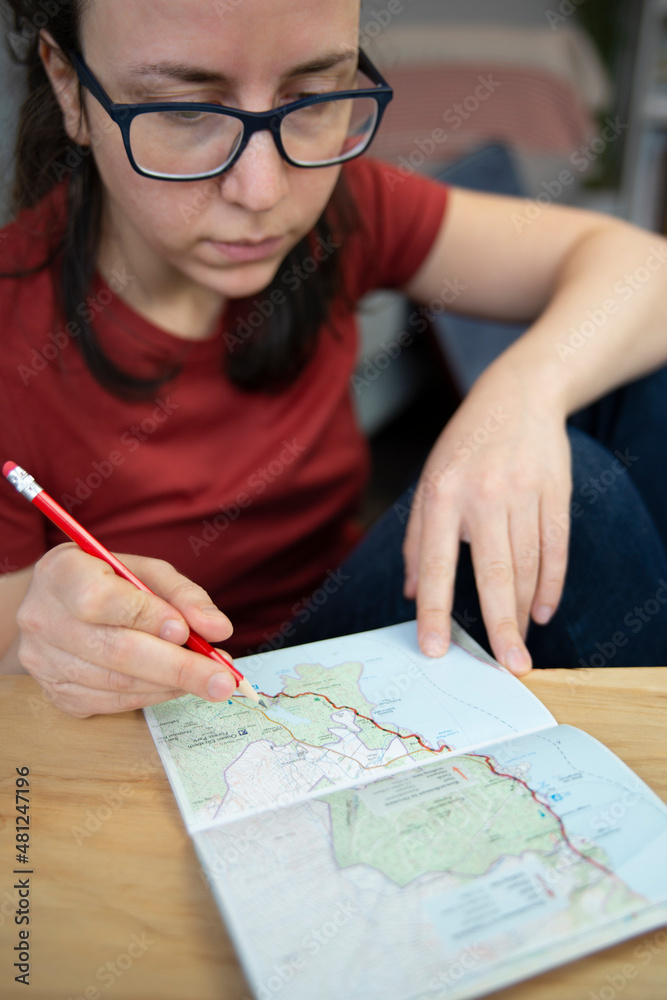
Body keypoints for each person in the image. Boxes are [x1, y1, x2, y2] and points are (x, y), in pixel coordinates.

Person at [1, 0, 667, 719]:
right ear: (70, 86)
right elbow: (16, 636)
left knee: (631, 379)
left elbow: (643, 272)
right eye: (187, 111)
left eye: (312, 97)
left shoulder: (343, 207)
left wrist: (515, 399)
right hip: (202, 699)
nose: (262, 191)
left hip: (349, 624)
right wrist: (50, 632)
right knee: (575, 492)